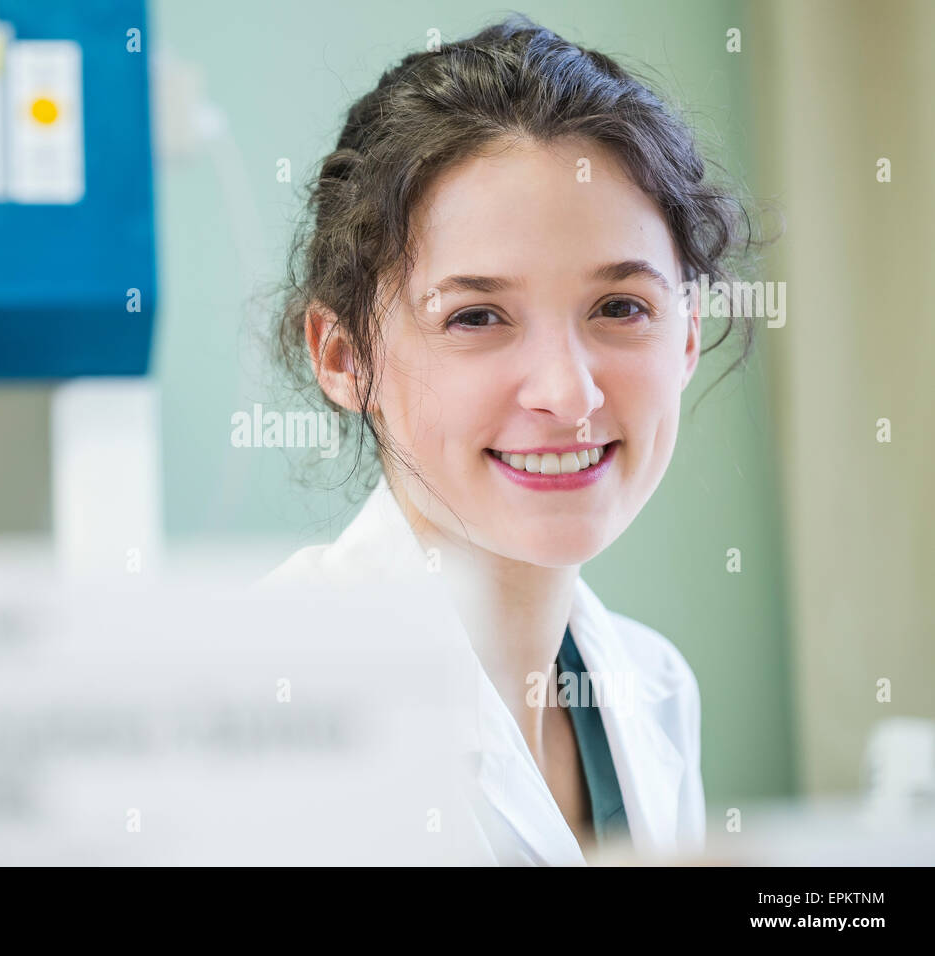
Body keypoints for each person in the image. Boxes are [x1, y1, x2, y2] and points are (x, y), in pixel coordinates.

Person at [261, 15, 759, 865]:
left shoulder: (655, 686)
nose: (568, 394)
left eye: (620, 308)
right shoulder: (273, 709)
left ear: (685, 337)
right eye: (477, 317)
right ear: (343, 358)